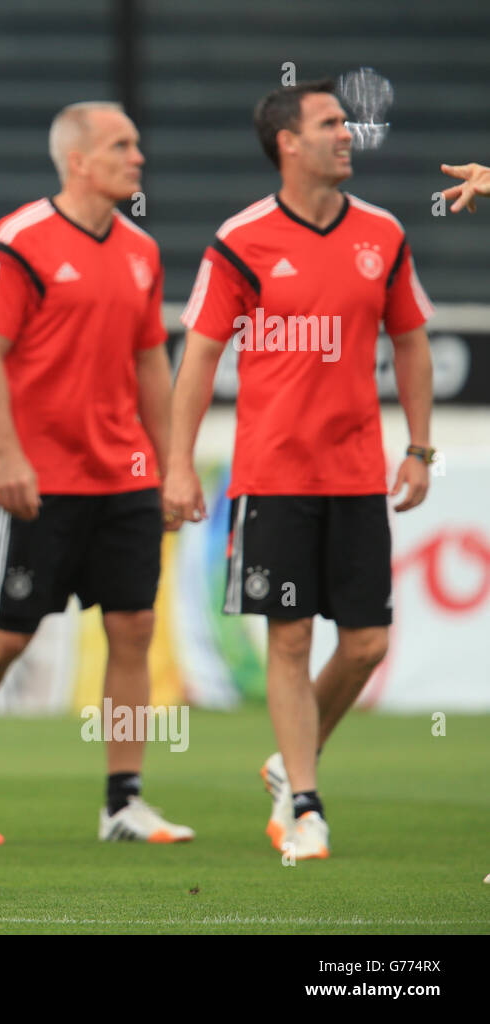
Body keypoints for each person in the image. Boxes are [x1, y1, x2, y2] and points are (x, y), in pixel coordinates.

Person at [165, 80, 435, 860]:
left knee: (366, 645)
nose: (347, 134)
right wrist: (179, 467)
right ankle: (306, 805)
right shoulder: (240, 239)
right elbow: (201, 356)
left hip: (356, 474)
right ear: (288, 142)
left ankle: (290, 761)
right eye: (329, 123)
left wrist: (418, 448)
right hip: (272, 476)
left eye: (346, 124)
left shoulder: (381, 235)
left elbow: (412, 339)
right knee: (289, 641)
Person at [0, 102, 192, 843]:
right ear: (78, 160)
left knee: (133, 626)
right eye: (122, 146)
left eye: (137, 144)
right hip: (40, 482)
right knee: (6, 636)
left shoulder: (141, 252)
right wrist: (12, 455)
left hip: (124, 477)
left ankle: (123, 801)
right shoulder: (18, 242)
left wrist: (173, 464)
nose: (138, 157)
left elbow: (152, 362)